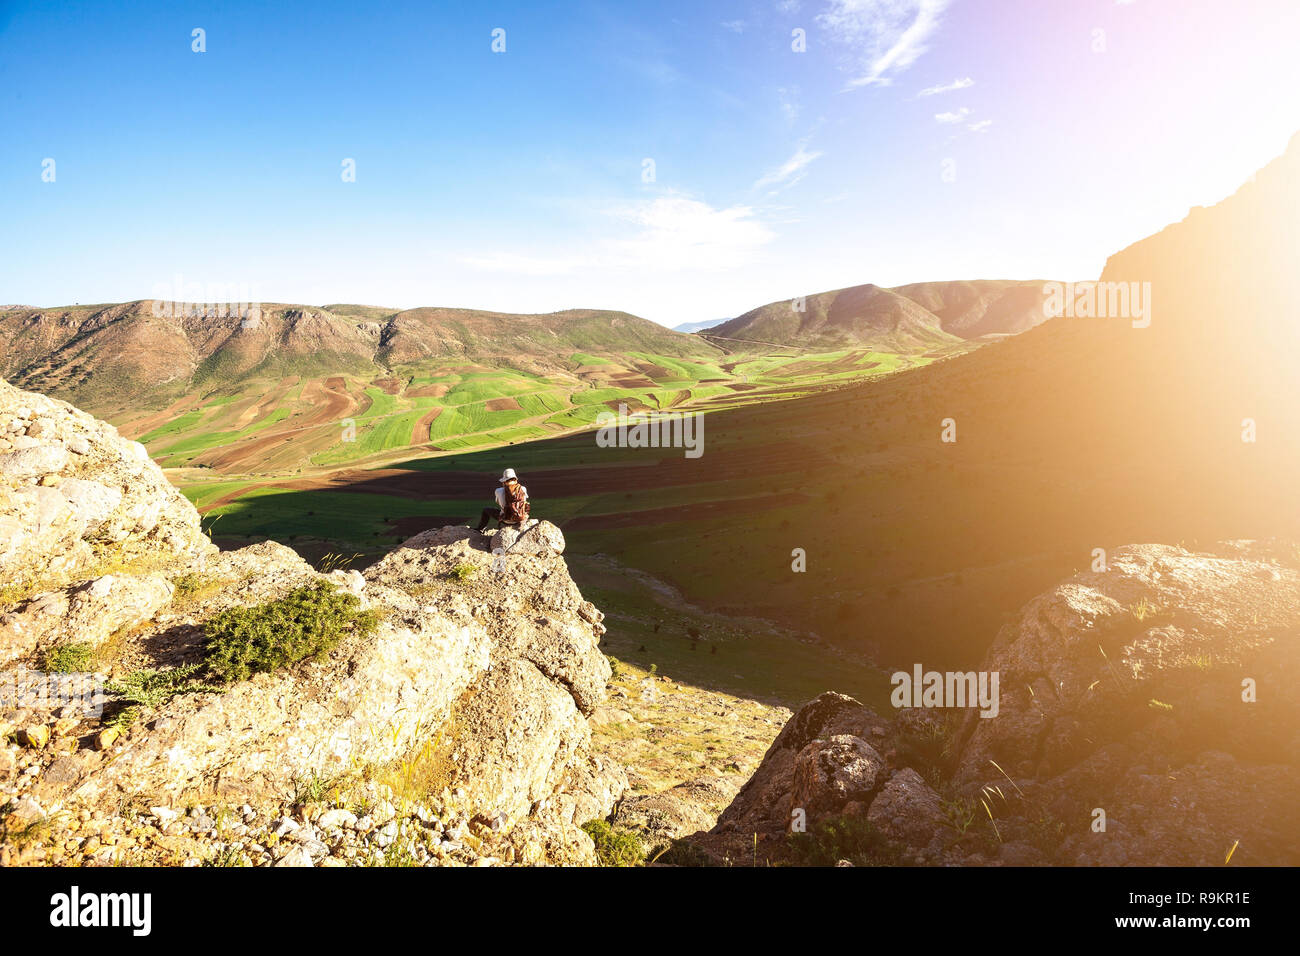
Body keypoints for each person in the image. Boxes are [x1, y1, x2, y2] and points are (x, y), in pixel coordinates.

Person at [473, 467, 530, 533]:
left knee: (486, 510)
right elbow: (525, 502)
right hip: (520, 519)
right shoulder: (523, 489)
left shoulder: (498, 491)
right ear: (516, 480)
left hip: (506, 519)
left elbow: (498, 502)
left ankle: (480, 529)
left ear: (504, 481)